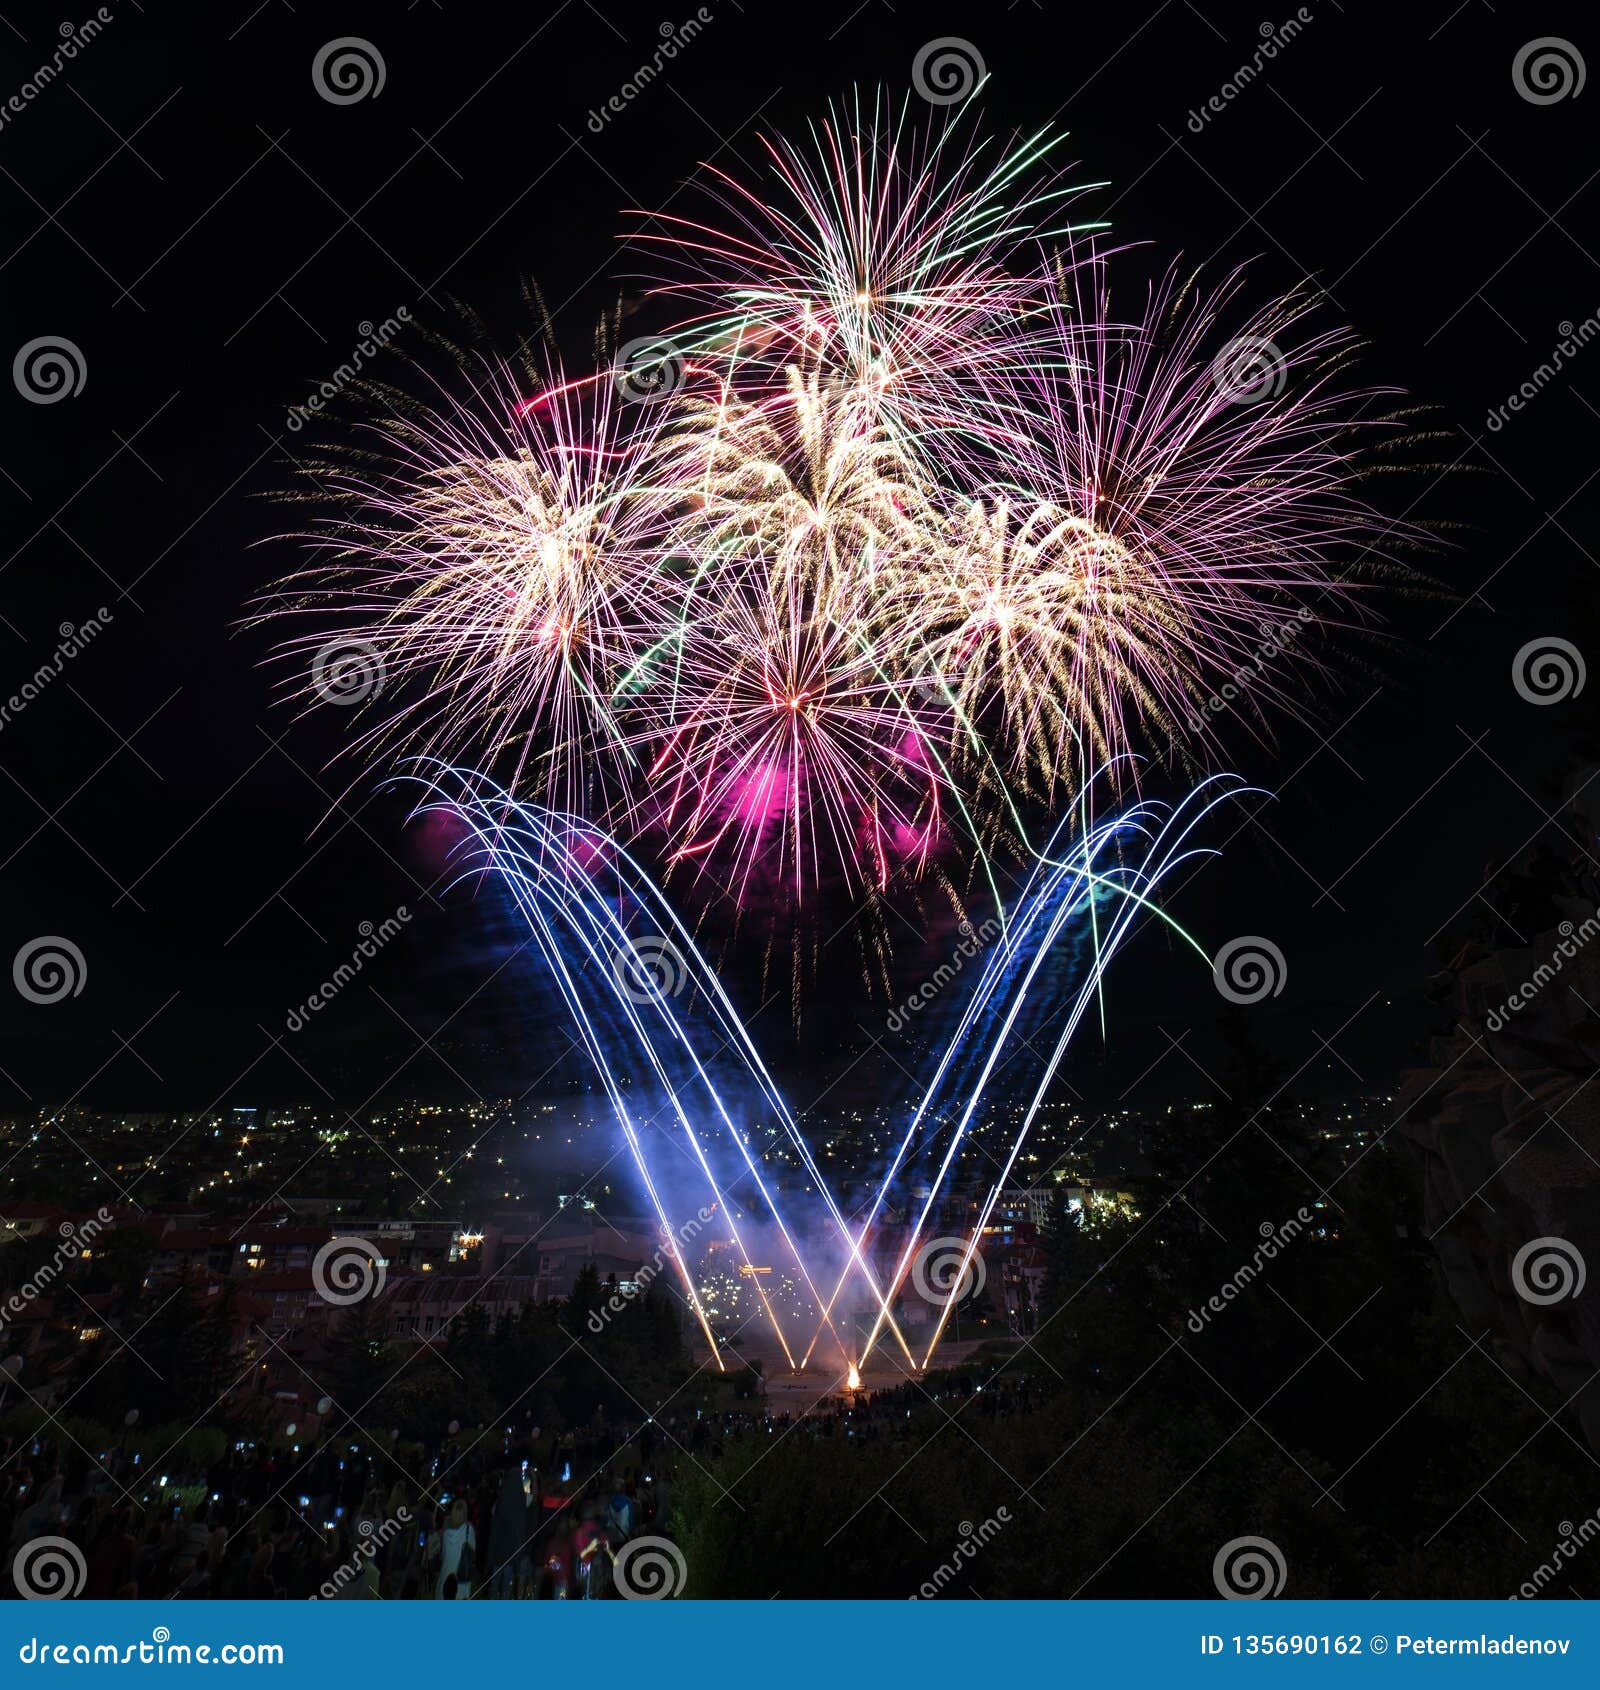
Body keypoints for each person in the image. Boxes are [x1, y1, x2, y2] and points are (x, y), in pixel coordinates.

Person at [434, 1499, 475, 1600]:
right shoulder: (469, 1529)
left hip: (446, 1568)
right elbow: (472, 1550)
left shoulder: (446, 1526)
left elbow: (442, 1550)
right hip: (461, 1572)